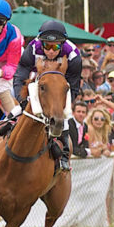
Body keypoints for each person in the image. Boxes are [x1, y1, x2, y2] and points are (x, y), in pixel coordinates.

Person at [14, 20, 83, 170]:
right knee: (14, 112)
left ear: (63, 44)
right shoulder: (32, 48)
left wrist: (61, 107)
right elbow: (20, 76)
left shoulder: (73, 55)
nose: (51, 51)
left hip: (61, 88)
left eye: (56, 46)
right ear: (40, 43)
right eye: (47, 46)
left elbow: (73, 87)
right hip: (38, 82)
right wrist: (22, 101)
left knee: (64, 117)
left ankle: (64, 155)